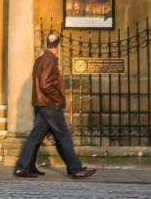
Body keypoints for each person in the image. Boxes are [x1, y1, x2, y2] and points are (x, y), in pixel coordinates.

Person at [12, 33, 96, 180]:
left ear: (47, 44)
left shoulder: (40, 60)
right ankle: (75, 169)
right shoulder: (50, 60)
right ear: (59, 46)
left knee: (35, 137)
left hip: (41, 104)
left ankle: (24, 167)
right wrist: (58, 99)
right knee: (63, 136)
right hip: (50, 105)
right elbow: (45, 84)